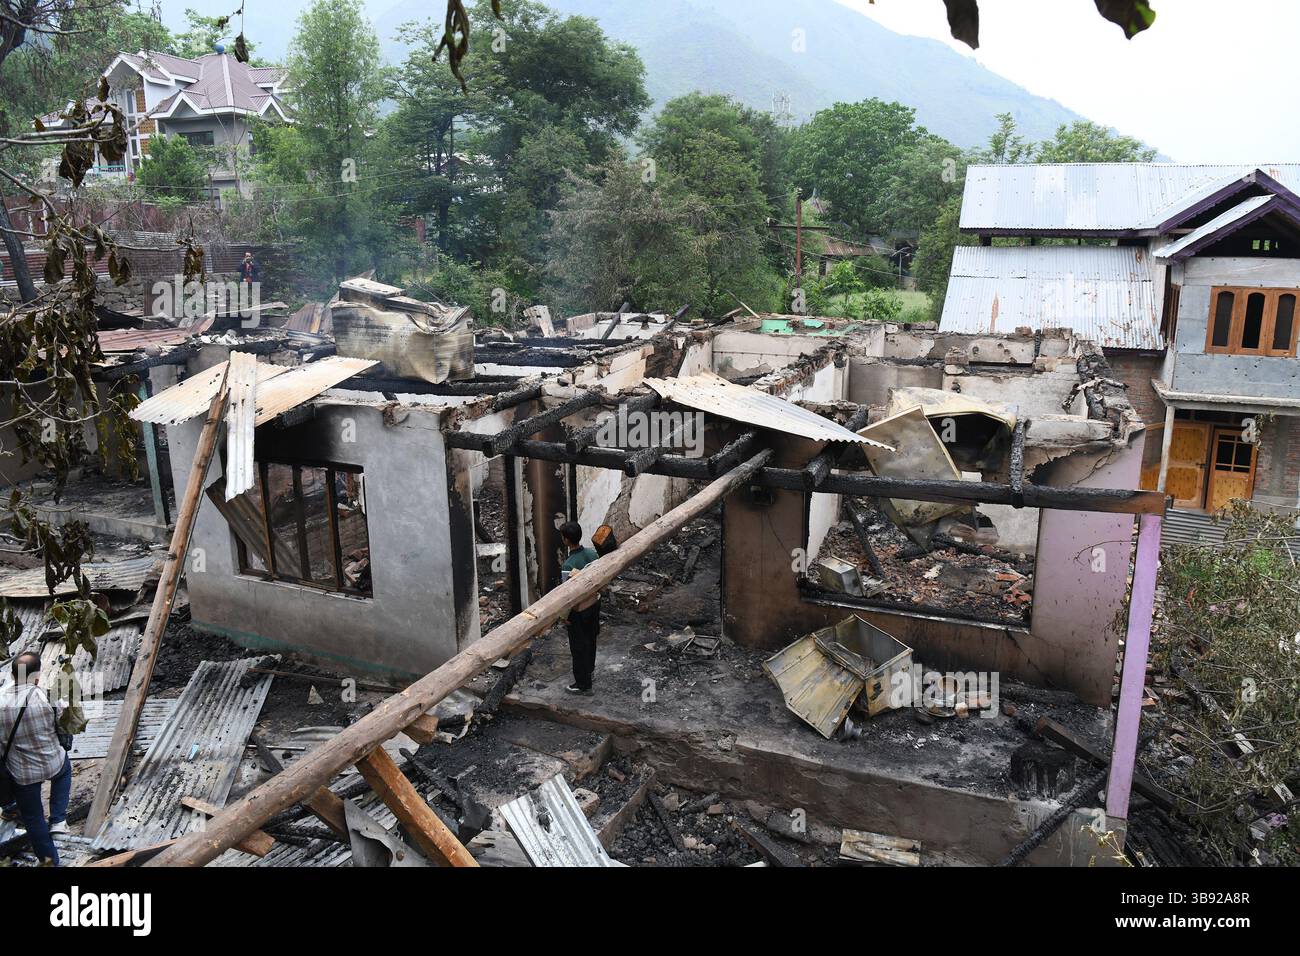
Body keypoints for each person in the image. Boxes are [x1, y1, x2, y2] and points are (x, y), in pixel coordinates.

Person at [0, 651, 72, 866]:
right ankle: (59, 819)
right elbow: (67, 727)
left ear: (12, 676)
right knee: (65, 771)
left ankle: (50, 862)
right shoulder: (50, 699)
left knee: (33, 820)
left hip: (23, 775)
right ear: (37, 677)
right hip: (53, 762)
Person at [558, 521, 601, 695]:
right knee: (591, 639)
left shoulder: (568, 565)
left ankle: (582, 684)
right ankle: (589, 671)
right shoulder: (592, 554)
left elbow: (567, 596)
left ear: (566, 540)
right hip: (594, 603)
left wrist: (564, 616)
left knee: (578, 647)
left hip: (578, 611)